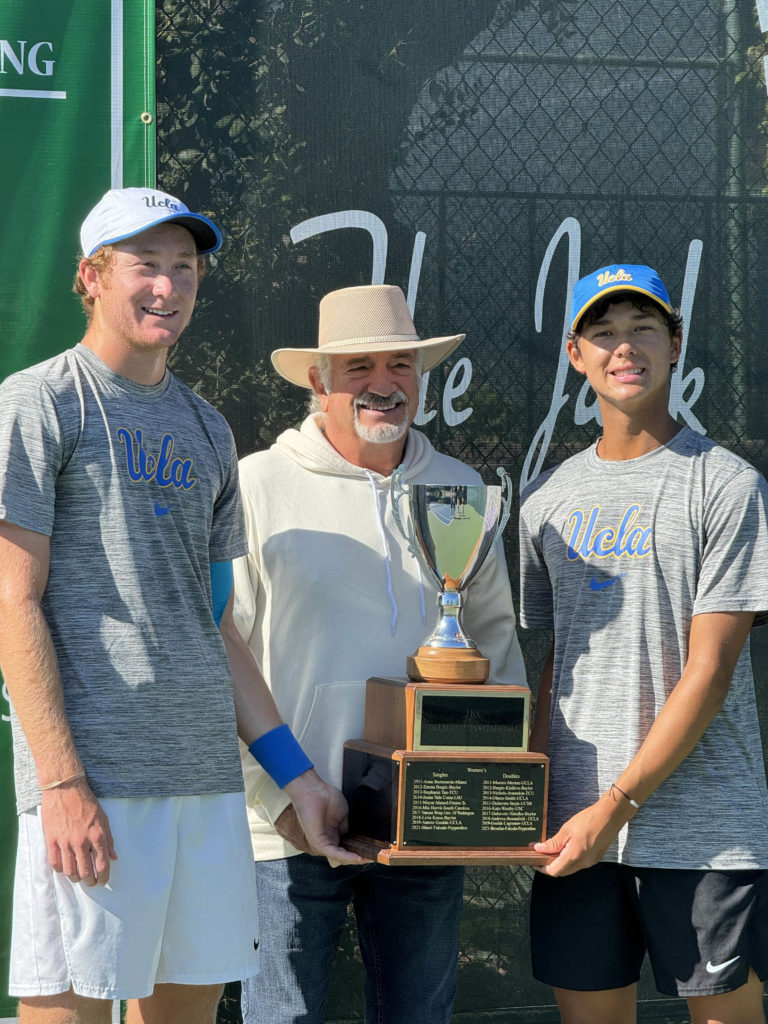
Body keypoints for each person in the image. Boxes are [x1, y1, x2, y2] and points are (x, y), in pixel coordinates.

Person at [0, 187, 360, 1024]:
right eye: (144, 265)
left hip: (206, 789)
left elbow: (215, 627)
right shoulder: (40, 402)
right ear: (91, 276)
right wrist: (60, 781)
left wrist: (295, 777)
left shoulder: (206, 428)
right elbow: (13, 599)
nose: (167, 285)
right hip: (95, 784)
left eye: (184, 268)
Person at [233, 283, 527, 1024]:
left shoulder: (459, 489)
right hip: (289, 820)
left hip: (427, 819)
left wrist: (486, 788)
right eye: (358, 366)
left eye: (400, 364)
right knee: (283, 1018)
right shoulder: (258, 484)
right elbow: (222, 652)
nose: (383, 384)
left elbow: (493, 643)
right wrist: (278, 797)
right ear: (318, 381)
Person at [519, 264, 768, 1024]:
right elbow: (557, 661)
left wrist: (615, 806)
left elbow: (711, 672)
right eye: (604, 333)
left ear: (675, 344)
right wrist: (532, 795)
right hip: (571, 826)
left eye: (643, 330)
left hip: (704, 829)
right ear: (575, 355)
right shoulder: (547, 501)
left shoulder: (726, 486)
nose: (623, 348)